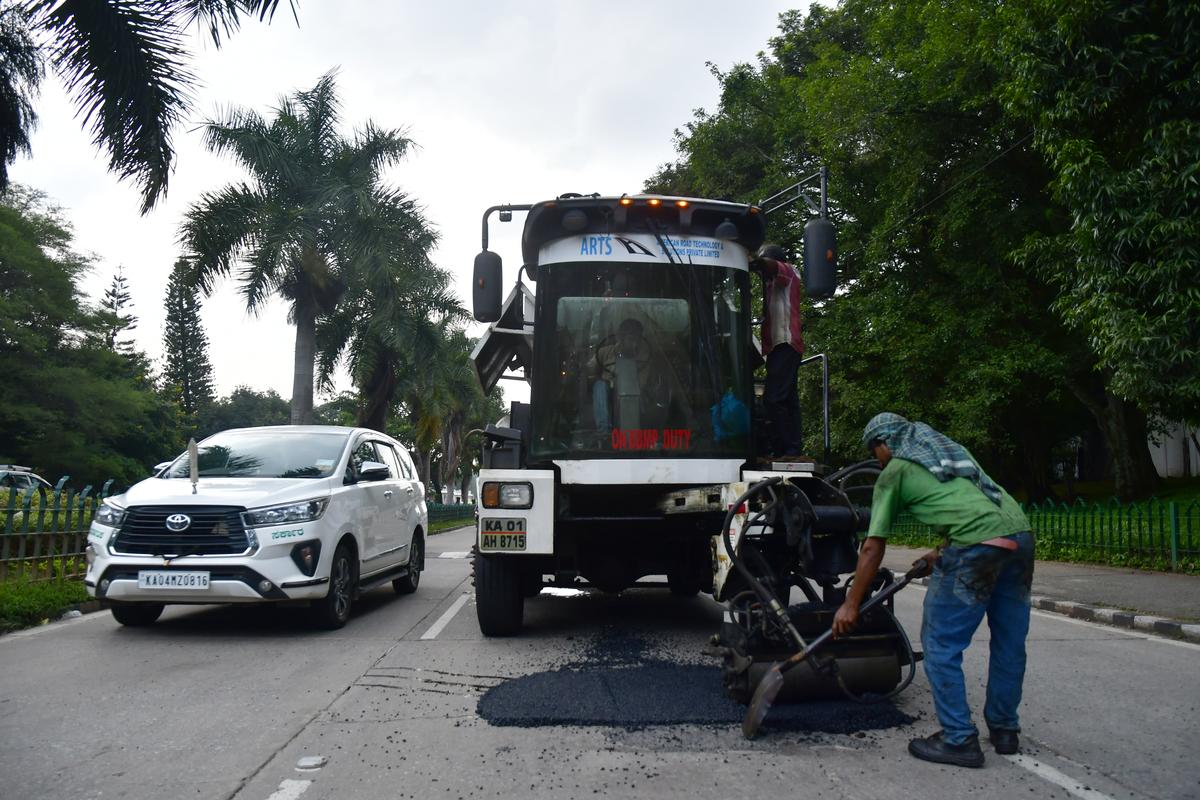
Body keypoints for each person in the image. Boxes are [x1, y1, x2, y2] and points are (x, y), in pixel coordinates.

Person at [832, 412, 1034, 768]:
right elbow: (978, 506)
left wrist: (851, 603)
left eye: (874, 450)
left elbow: (872, 547)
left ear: (884, 445)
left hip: (976, 545)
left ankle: (959, 740)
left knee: (941, 643)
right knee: (1009, 642)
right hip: (1020, 537)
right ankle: (1005, 731)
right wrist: (940, 553)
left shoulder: (895, 471)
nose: (876, 458)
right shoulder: (953, 455)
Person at [753, 244, 804, 459]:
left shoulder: (788, 271)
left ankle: (784, 449)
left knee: (773, 399)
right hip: (777, 347)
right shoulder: (771, 284)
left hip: (785, 343)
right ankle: (792, 448)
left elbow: (769, 266)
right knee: (788, 400)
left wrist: (750, 258)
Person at [590, 318, 652, 433]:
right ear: (621, 338)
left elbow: (643, 384)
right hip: (608, 396)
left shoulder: (645, 358)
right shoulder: (605, 352)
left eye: (638, 339)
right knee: (599, 386)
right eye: (631, 339)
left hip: (635, 397)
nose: (635, 343)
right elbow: (589, 370)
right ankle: (604, 432)